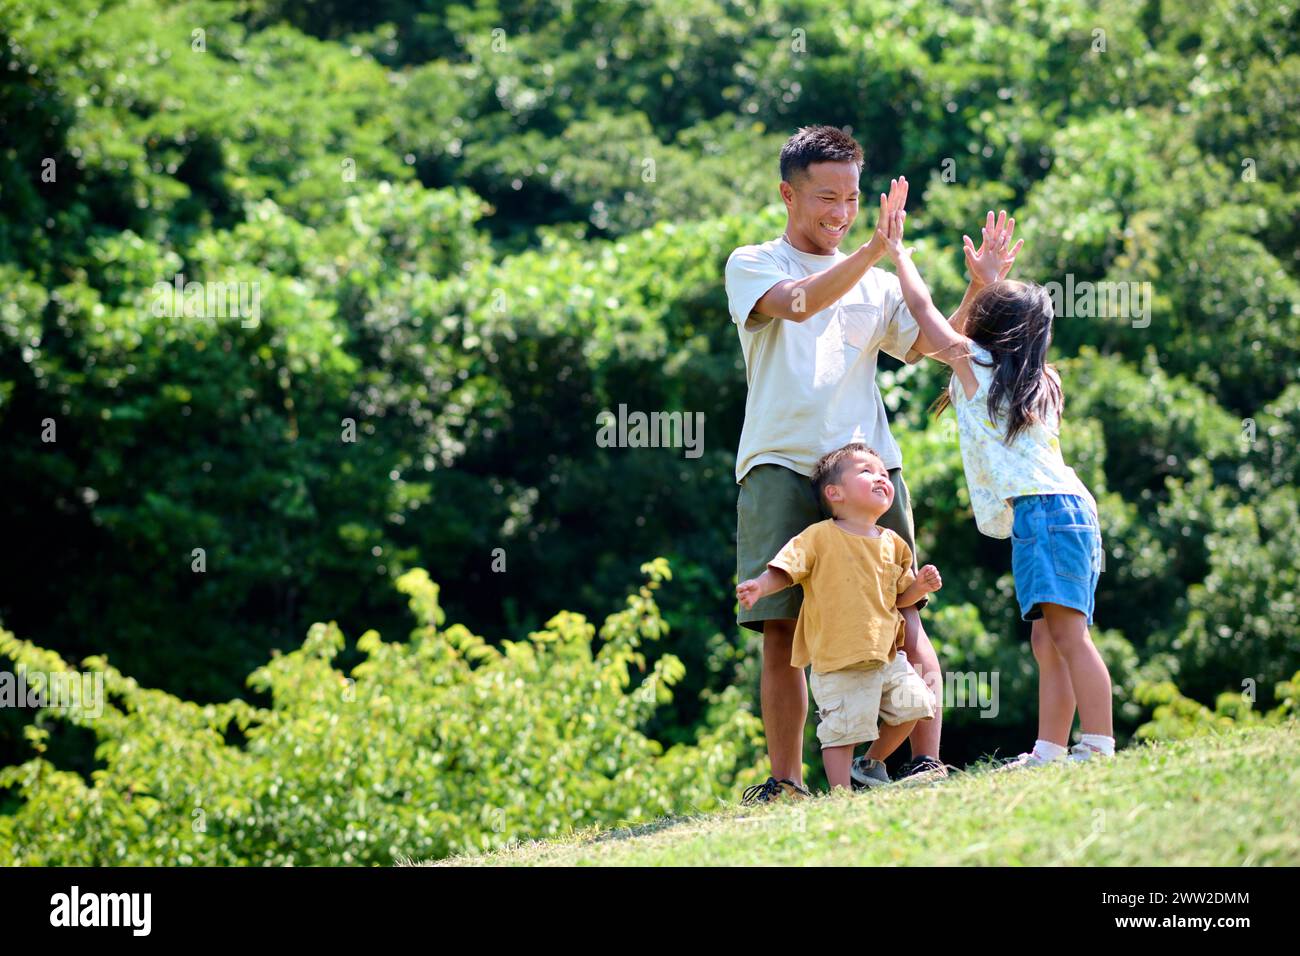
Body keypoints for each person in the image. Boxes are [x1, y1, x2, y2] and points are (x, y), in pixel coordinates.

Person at [725, 125, 983, 803]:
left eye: (852, 198)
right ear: (788, 194)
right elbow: (801, 303)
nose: (842, 212)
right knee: (780, 629)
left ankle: (923, 763)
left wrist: (978, 290)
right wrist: (874, 248)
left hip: (870, 469)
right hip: (780, 463)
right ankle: (787, 782)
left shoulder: (876, 281)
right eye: (825, 198)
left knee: (906, 614)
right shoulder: (754, 262)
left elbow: (930, 347)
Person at [876, 201, 1115, 766]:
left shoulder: (976, 365)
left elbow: (923, 311)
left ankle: (1099, 744)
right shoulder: (1040, 377)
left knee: (1069, 636)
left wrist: (898, 251)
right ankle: (1051, 749)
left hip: (1047, 513)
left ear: (991, 329)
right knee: (1049, 638)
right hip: (1065, 511)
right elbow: (958, 336)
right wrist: (990, 285)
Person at [737, 444, 941, 792]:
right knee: (842, 732)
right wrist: (759, 586)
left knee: (919, 704)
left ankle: (870, 763)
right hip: (837, 659)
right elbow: (787, 571)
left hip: (887, 655)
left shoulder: (894, 543)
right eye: (866, 471)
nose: (880, 476)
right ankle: (840, 793)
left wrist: (919, 588)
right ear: (835, 492)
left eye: (882, 472)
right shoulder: (819, 536)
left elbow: (900, 598)